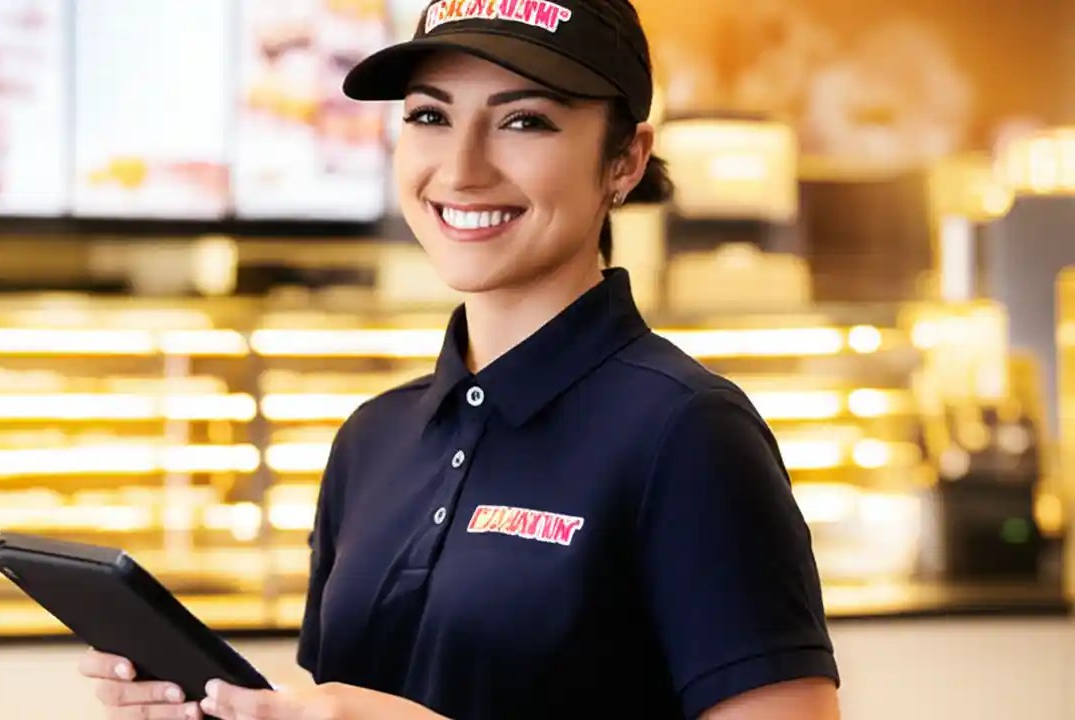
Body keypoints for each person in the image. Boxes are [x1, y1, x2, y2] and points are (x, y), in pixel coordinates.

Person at [79, 0, 842, 718]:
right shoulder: (371, 439)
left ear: (625, 160)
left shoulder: (689, 433)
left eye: (523, 120)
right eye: (430, 116)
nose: (462, 169)